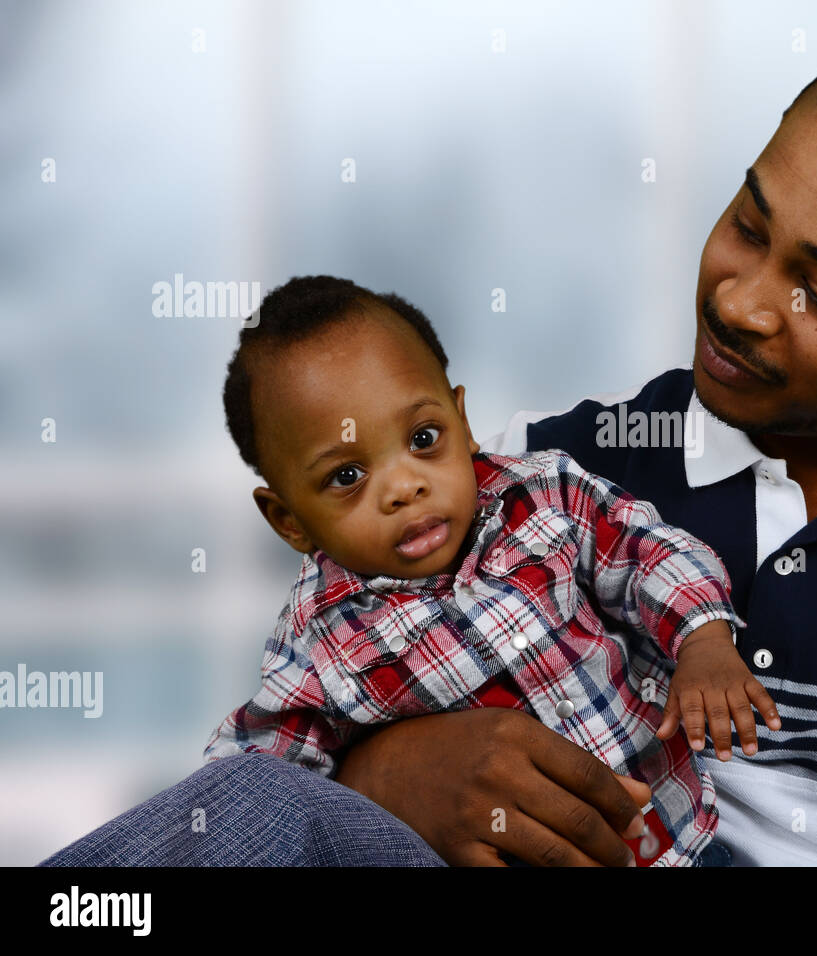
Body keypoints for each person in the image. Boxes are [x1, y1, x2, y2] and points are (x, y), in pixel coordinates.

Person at [42, 36, 817, 867]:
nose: (745, 300)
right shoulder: (524, 482)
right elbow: (279, 774)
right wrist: (384, 777)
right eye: (749, 224)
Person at [205, 275, 784, 866]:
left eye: (424, 438)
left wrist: (705, 640)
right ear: (289, 520)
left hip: (683, 834)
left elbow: (647, 552)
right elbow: (260, 783)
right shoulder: (320, 635)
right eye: (347, 477)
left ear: (462, 419)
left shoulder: (542, 494)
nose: (406, 487)